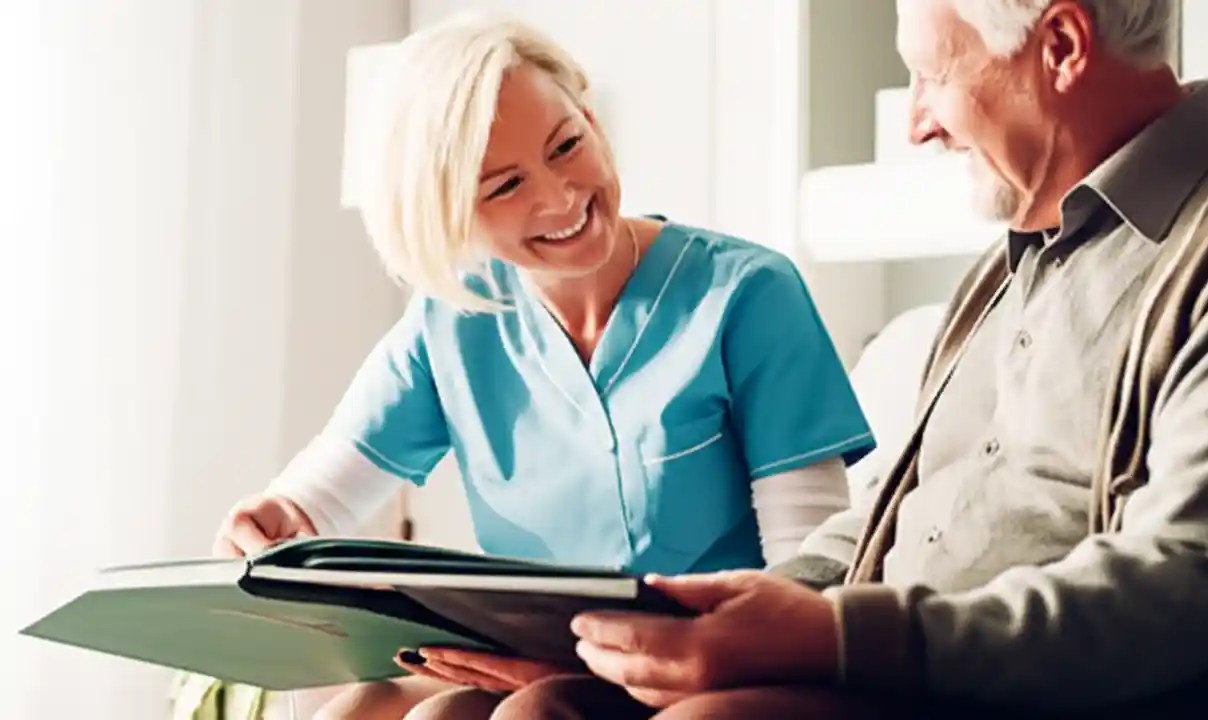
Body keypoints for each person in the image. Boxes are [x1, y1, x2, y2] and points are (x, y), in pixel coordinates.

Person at [421, 0, 1208, 718]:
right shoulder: (1012, 263)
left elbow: (1206, 572)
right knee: (509, 708)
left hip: (999, 691)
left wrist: (834, 638)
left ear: (1059, 46)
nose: (916, 123)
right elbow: (889, 519)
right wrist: (665, 629)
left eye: (934, 74)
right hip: (869, 664)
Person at [210, 12, 876, 720]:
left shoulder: (744, 295)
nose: (560, 197)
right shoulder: (452, 324)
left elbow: (806, 583)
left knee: (533, 713)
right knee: (368, 708)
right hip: (535, 658)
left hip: (711, 668)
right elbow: (306, 508)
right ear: (449, 217)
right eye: (504, 186)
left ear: (591, 118)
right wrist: (269, 521)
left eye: (567, 145)